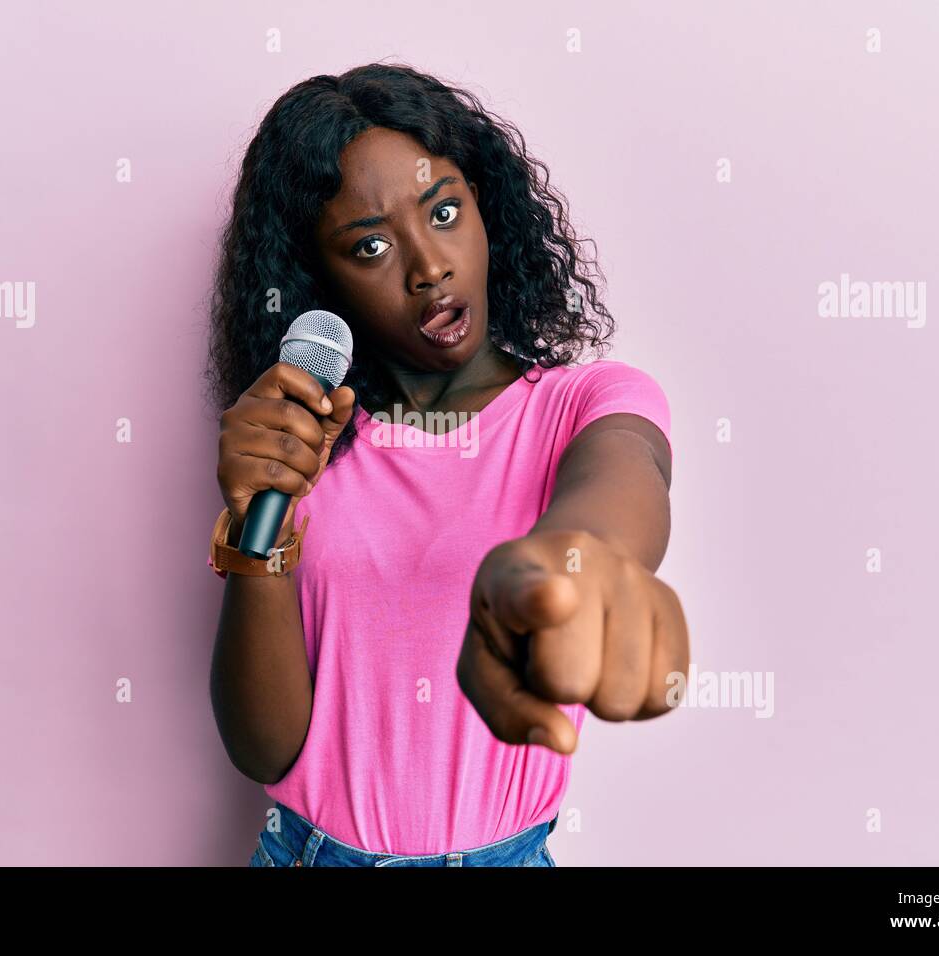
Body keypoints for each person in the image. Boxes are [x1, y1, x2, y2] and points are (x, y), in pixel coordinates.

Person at [205, 62, 689, 867]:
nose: (428, 266)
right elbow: (265, 751)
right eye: (370, 245)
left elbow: (624, 475)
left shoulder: (581, 403)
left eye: (445, 211)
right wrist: (261, 526)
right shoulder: (303, 441)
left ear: (486, 210)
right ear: (317, 284)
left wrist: (563, 566)